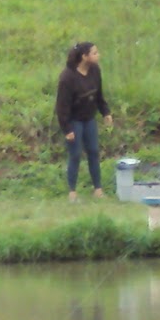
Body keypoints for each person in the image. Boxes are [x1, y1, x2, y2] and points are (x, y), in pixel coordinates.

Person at [55, 40, 113, 202]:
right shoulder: (67, 78)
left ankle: (98, 189)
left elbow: (99, 95)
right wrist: (67, 129)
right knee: (75, 155)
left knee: (94, 152)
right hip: (74, 120)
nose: (98, 55)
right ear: (84, 56)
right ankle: (72, 192)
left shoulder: (95, 71)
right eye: (94, 53)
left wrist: (105, 112)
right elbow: (62, 106)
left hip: (89, 119)